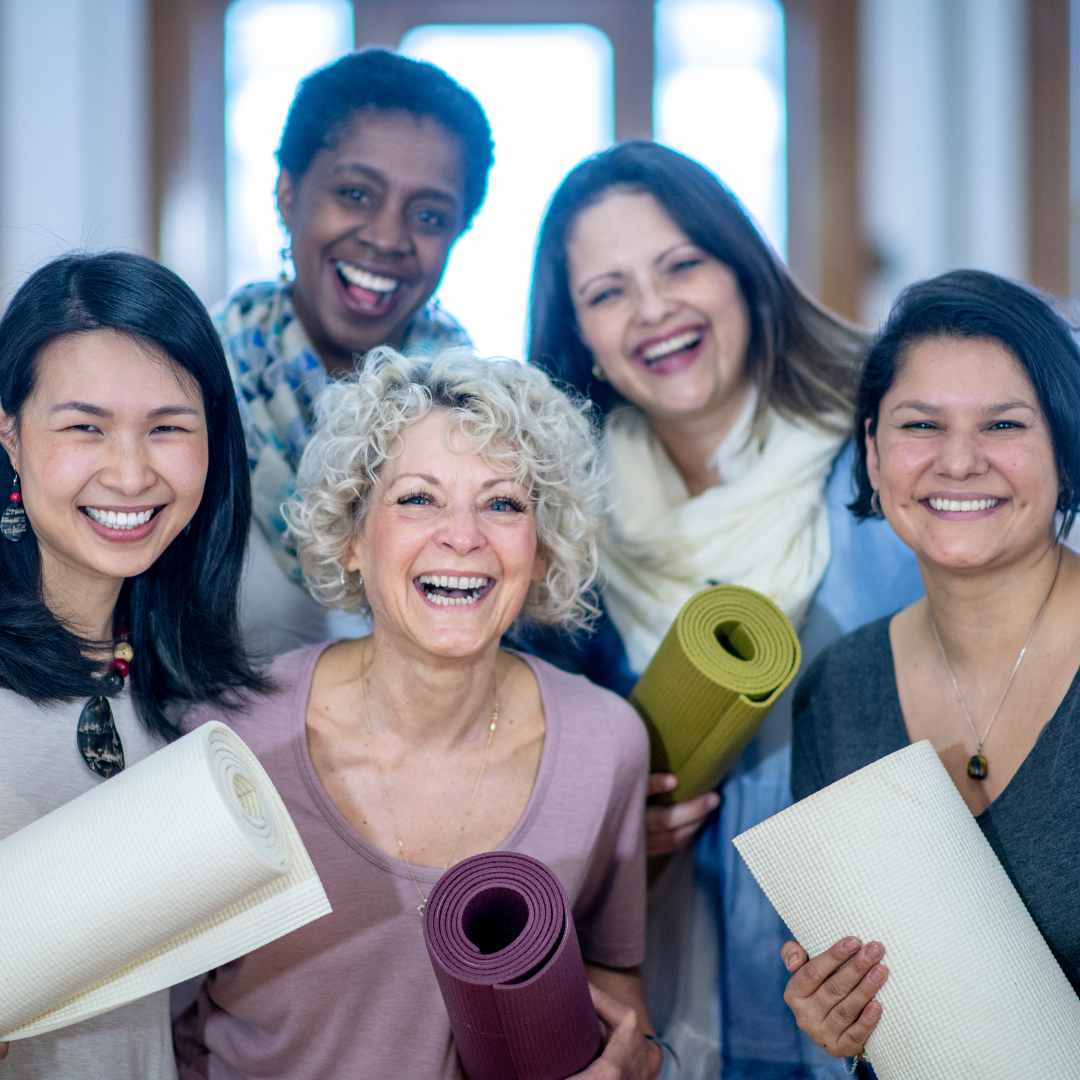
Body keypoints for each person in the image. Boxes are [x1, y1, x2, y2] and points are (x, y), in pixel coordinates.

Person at [523, 141, 923, 1078]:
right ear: (580, 334)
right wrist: (606, 816)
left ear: (744, 270)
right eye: (608, 291)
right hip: (669, 972)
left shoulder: (883, 466)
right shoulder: (556, 523)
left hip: (881, 965)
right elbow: (514, 749)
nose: (654, 310)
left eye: (680, 265)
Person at [174, 349, 661, 1080]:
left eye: (503, 503)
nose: (463, 537)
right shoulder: (227, 740)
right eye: (417, 499)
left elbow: (616, 994)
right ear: (350, 538)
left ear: (543, 544)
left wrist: (634, 1063)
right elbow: (147, 1020)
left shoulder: (605, 744)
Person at [783, 270, 1080, 1073]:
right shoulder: (838, 689)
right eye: (921, 424)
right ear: (874, 455)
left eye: (1003, 425)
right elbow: (884, 1007)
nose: (958, 461)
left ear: (1066, 449)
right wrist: (837, 1013)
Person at [0, 252, 264, 1078]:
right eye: (84, 426)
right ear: (8, 433)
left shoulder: (186, 703)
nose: (129, 471)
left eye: (167, 427)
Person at [217, 48, 494, 656]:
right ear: (288, 194)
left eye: (427, 215)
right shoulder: (190, 386)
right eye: (356, 194)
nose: (387, 238)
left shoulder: (487, 420)